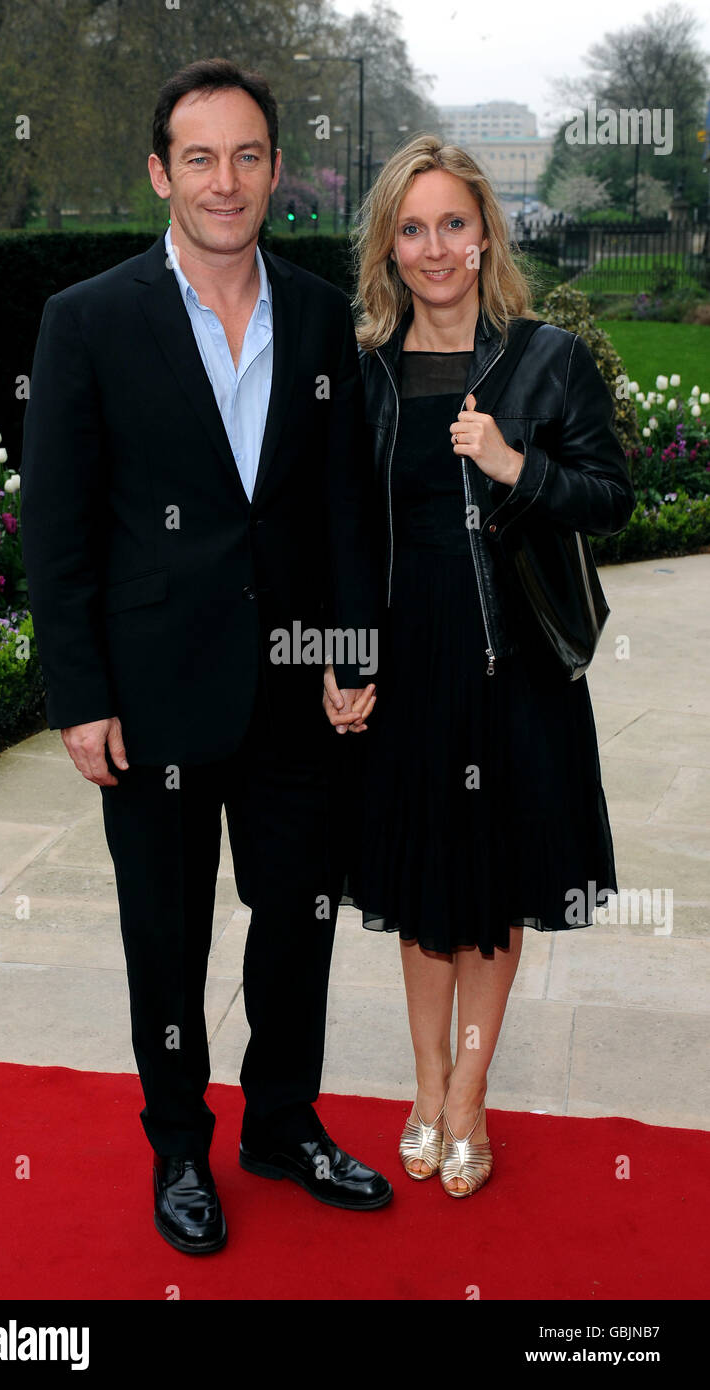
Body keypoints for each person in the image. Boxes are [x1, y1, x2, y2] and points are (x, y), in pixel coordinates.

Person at [20, 57, 391, 1257]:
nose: (224, 181)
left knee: (298, 919)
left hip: (292, 685)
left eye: (246, 156)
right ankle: (178, 1145)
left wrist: (347, 648)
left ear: (277, 170)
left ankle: (281, 1123)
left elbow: (341, 503)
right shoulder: (86, 320)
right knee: (165, 940)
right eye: (199, 157)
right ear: (159, 172)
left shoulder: (323, 314)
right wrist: (79, 696)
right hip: (153, 697)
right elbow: (58, 528)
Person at [323, 135, 635, 1198]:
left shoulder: (545, 358)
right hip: (407, 672)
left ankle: (468, 1093)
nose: (433, 248)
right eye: (411, 229)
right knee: (419, 890)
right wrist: (343, 653)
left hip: (515, 671)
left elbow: (608, 495)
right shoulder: (364, 369)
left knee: (492, 882)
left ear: (485, 232)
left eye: (453, 223)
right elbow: (344, 535)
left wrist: (516, 465)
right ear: (388, 247)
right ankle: (420, 1087)